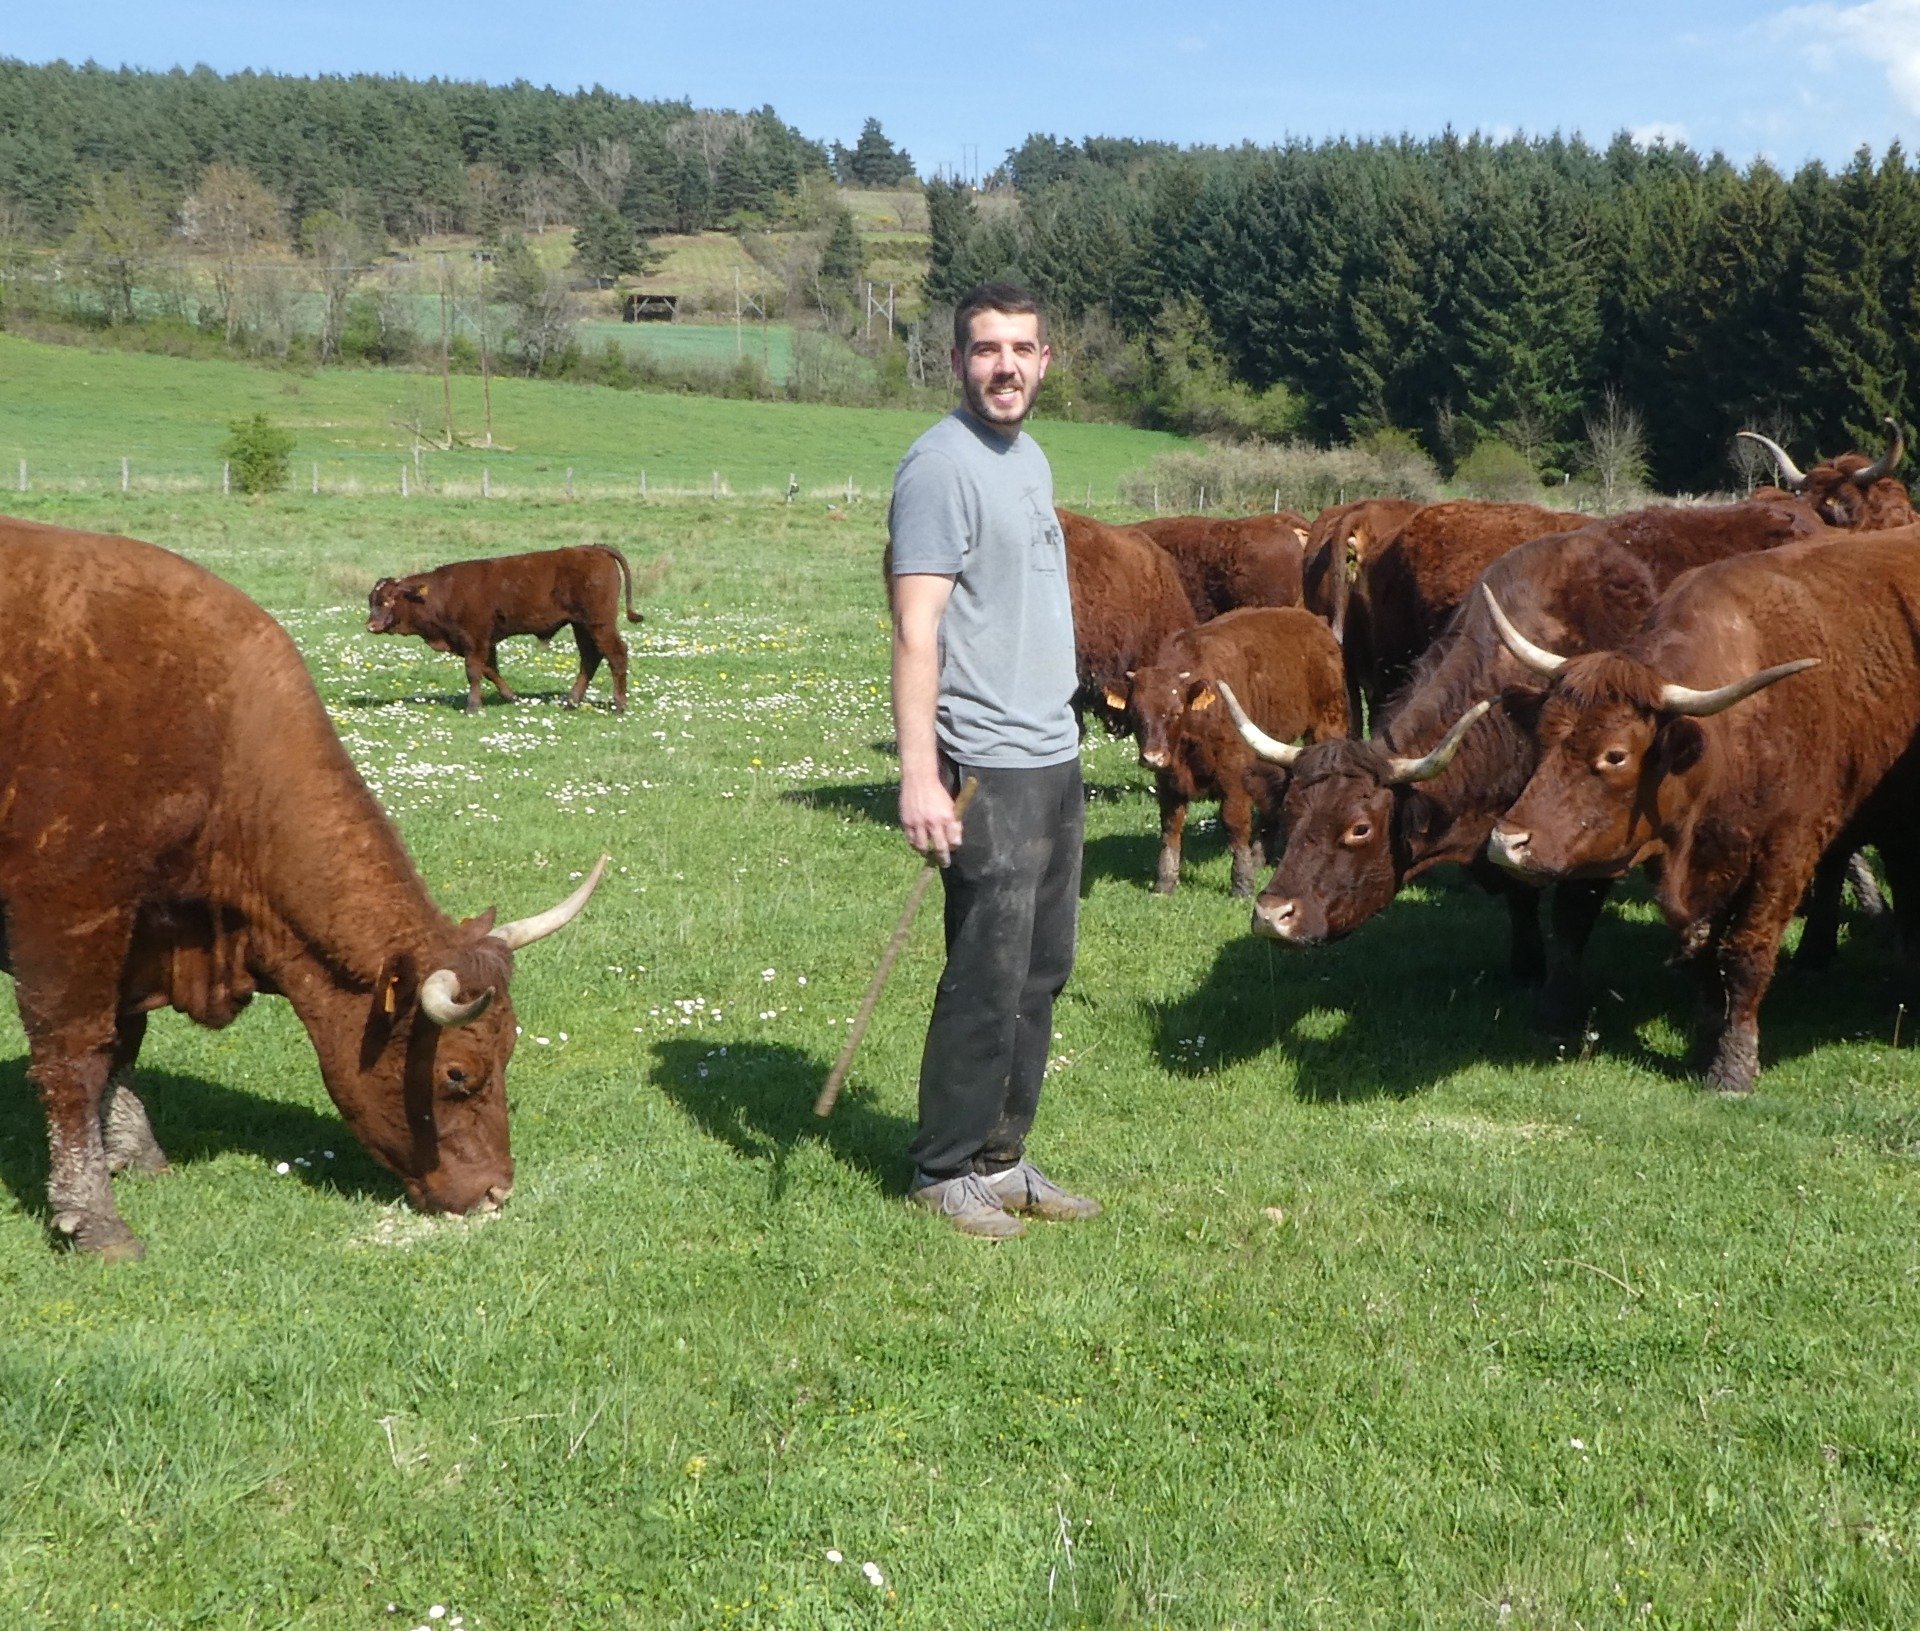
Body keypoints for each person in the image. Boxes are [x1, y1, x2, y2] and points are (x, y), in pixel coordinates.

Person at [885, 281, 1100, 1239]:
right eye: (985, 349)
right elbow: (915, 630)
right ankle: (941, 1167)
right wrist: (919, 772)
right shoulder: (939, 467)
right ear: (959, 360)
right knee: (985, 971)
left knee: (1041, 969)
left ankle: (1002, 1157)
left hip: (1052, 750)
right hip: (985, 766)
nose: (1005, 366)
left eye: (1021, 348)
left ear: (1046, 360)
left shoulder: (1028, 457)